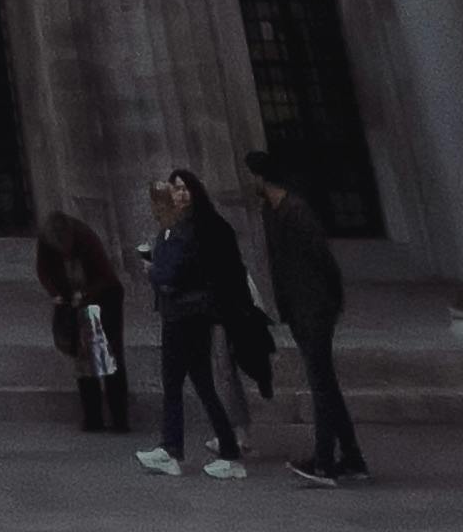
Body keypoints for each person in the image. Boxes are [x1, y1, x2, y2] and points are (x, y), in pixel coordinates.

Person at [245, 151, 364, 485]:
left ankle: (324, 461)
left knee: (321, 384)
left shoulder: (296, 211)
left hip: (314, 306)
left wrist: (330, 302)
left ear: (260, 177)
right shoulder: (271, 212)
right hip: (298, 307)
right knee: (325, 383)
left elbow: (322, 260)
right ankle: (353, 457)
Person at [135, 170, 249, 477]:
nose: (179, 194)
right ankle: (227, 450)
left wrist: (154, 271)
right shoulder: (177, 228)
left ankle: (172, 450)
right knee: (202, 384)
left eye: (184, 188)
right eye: (175, 189)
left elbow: (176, 274)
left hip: (186, 314)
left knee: (174, 383)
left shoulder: (191, 229)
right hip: (186, 313)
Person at [40, 210, 132, 432]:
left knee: (110, 357)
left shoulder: (85, 238)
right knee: (83, 361)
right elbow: (43, 270)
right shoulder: (46, 243)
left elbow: (107, 277)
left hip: (103, 297)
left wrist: (86, 294)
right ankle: (93, 418)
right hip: (73, 299)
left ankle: (120, 419)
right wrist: (56, 293)